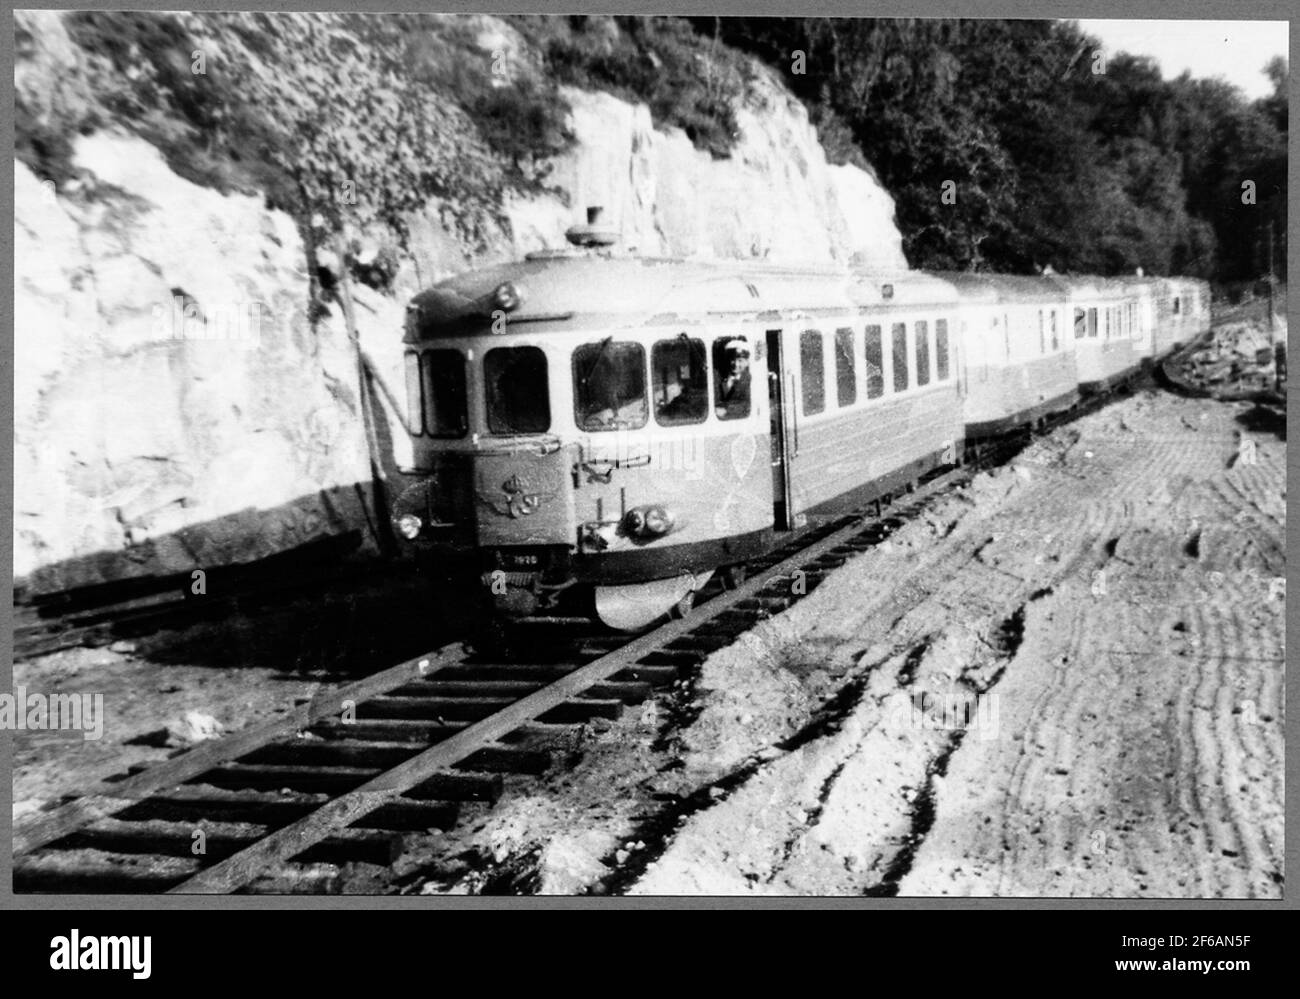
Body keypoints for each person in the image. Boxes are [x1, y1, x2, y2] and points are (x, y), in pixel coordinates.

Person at [715, 338, 751, 419]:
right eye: (732, 360)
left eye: (740, 360)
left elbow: (747, 405)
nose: (735, 364)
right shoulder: (719, 377)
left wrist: (727, 410)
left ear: (747, 362)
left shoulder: (749, 379)